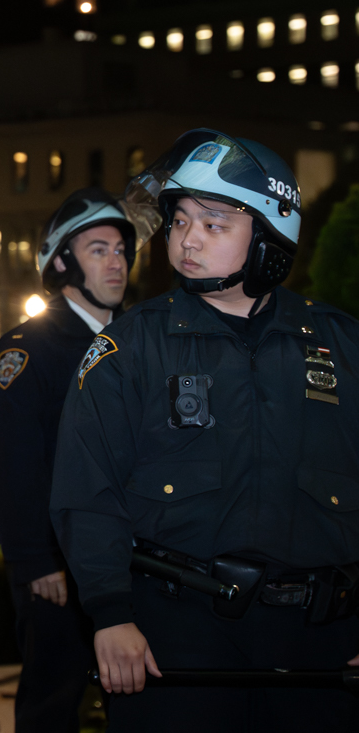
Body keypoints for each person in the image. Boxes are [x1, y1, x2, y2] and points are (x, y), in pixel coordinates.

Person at [51, 129, 359, 731]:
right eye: (180, 221)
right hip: (174, 639)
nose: (187, 240)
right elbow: (85, 491)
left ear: (270, 237)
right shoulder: (130, 346)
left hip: (319, 643)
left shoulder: (342, 345)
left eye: (214, 224)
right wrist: (111, 615)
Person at [0, 188, 139, 732]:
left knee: (137, 693)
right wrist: (35, 560)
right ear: (62, 263)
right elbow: (10, 462)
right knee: (54, 695)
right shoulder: (30, 350)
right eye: (99, 249)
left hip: (127, 556)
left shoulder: (134, 342)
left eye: (120, 250)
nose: (116, 262)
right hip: (58, 563)